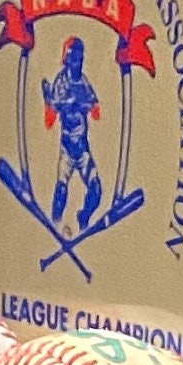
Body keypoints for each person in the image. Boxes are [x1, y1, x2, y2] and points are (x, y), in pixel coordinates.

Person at [41, 34, 104, 230]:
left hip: (82, 149)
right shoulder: (60, 82)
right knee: (61, 190)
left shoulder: (83, 83)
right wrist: (52, 103)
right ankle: (55, 222)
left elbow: (96, 113)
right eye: (74, 57)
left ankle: (83, 217)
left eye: (80, 57)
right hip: (67, 149)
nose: (78, 62)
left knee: (96, 190)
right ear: (67, 59)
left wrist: (85, 104)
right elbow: (50, 119)